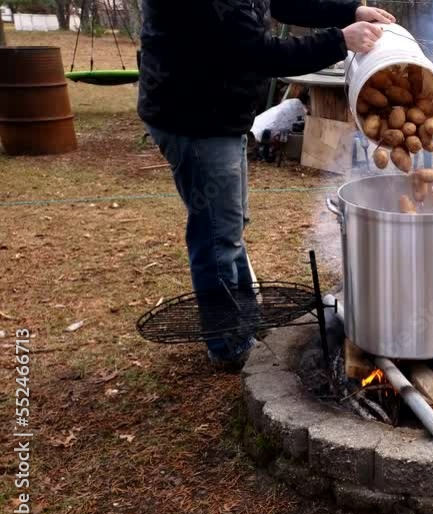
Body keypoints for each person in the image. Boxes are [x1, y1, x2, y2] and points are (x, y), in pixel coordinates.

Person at [138, 1, 394, 369]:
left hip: (218, 114)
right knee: (216, 235)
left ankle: (242, 321)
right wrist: (339, 41)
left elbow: (280, 2)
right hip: (195, 119)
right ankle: (228, 344)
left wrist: (349, 12)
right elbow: (257, 53)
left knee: (228, 227)